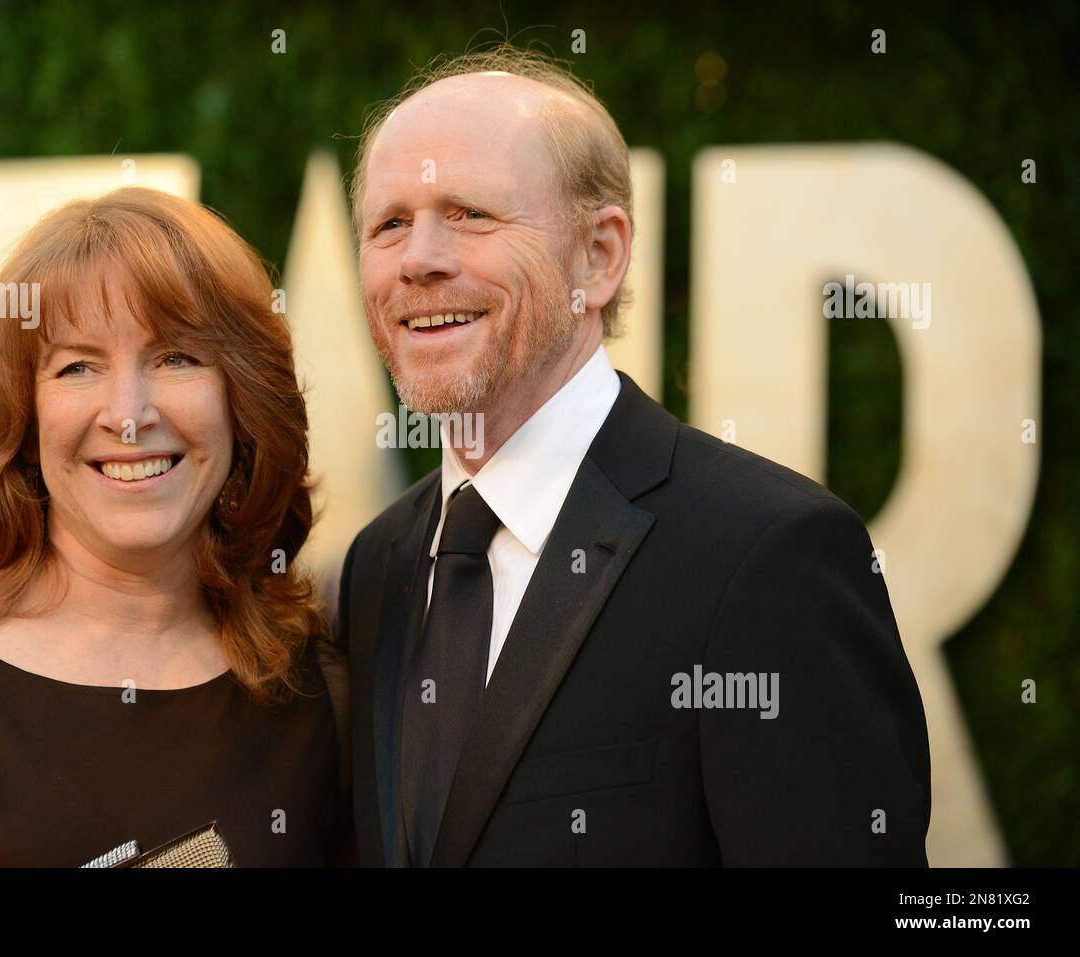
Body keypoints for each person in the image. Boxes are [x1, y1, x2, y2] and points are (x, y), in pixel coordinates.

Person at [334, 47, 931, 866]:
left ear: (600, 257)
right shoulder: (378, 567)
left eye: (469, 213)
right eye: (389, 223)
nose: (418, 258)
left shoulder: (766, 555)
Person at [0, 187, 352, 867]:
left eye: (176, 357)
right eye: (78, 366)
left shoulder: (320, 695)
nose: (129, 413)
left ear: (242, 399)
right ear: (25, 418)